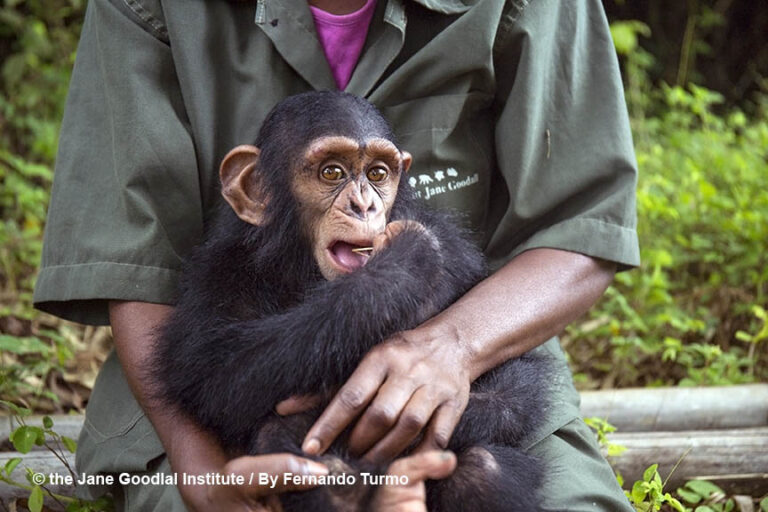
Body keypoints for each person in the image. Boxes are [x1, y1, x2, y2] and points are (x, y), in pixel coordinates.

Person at [33, 0, 640, 510]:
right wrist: (207, 478)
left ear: (401, 177)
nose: (364, 204)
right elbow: (198, 357)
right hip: (211, 431)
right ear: (253, 190)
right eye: (331, 172)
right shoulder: (233, 273)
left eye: (377, 177)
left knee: (485, 473)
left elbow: (580, 229)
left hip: (481, 357)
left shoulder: (425, 240)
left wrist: (453, 346)